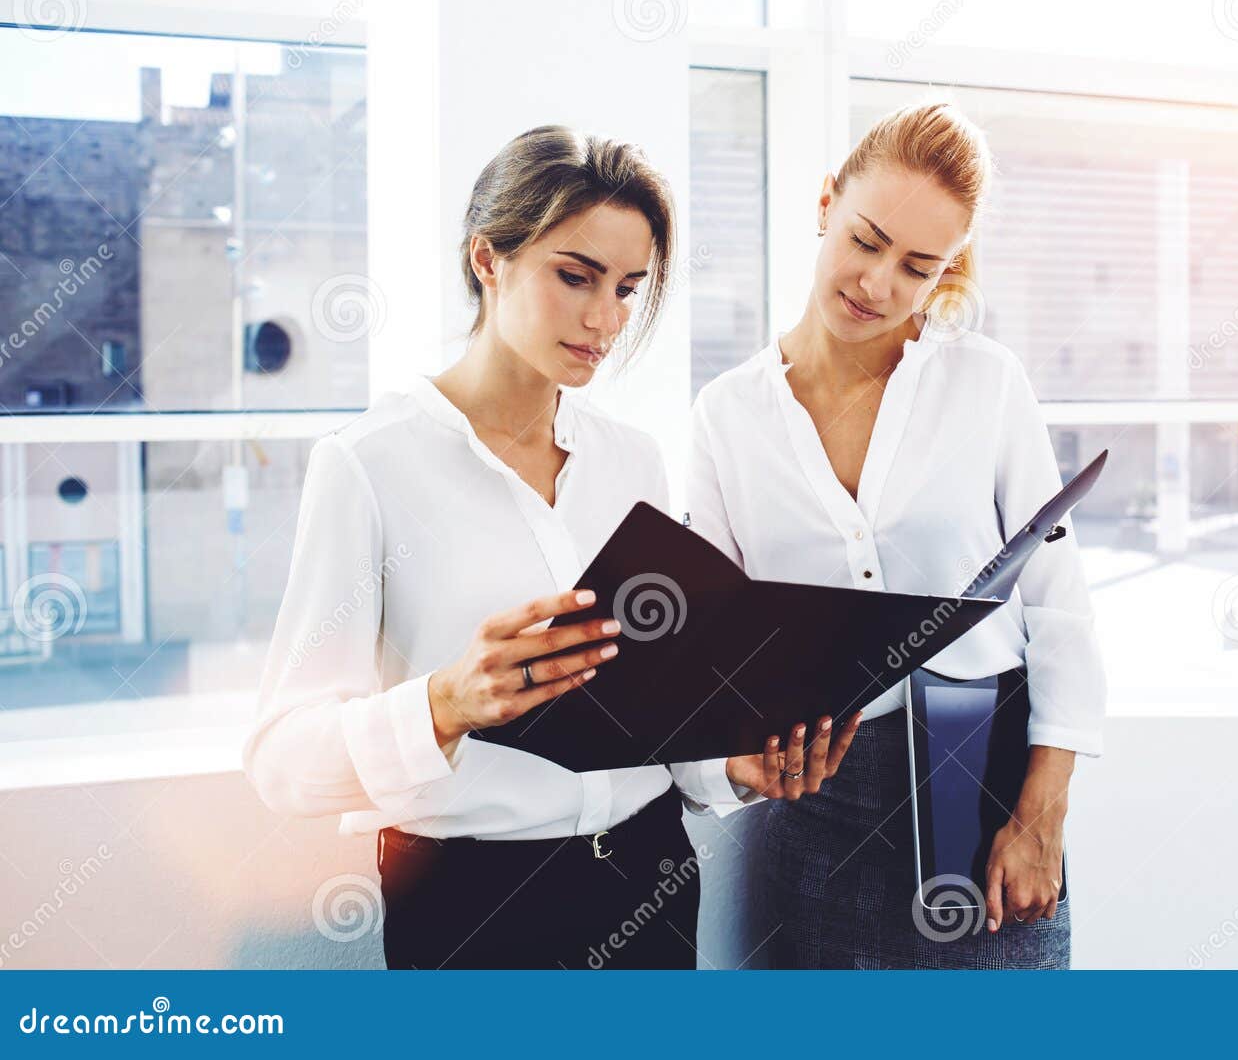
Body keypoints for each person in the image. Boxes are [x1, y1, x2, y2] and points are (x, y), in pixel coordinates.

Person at [243, 126, 858, 970]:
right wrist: (448, 701)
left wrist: (738, 764)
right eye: (575, 276)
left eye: (628, 289)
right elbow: (280, 761)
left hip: (650, 879)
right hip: (471, 903)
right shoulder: (367, 464)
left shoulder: (632, 459)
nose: (604, 319)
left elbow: (653, 713)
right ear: (488, 259)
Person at [687, 102, 1107, 968]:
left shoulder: (986, 384)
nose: (877, 283)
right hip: (816, 824)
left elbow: (1059, 606)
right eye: (865, 240)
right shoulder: (727, 415)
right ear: (824, 204)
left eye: (918, 267)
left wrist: (1042, 815)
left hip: (987, 810)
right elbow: (711, 650)